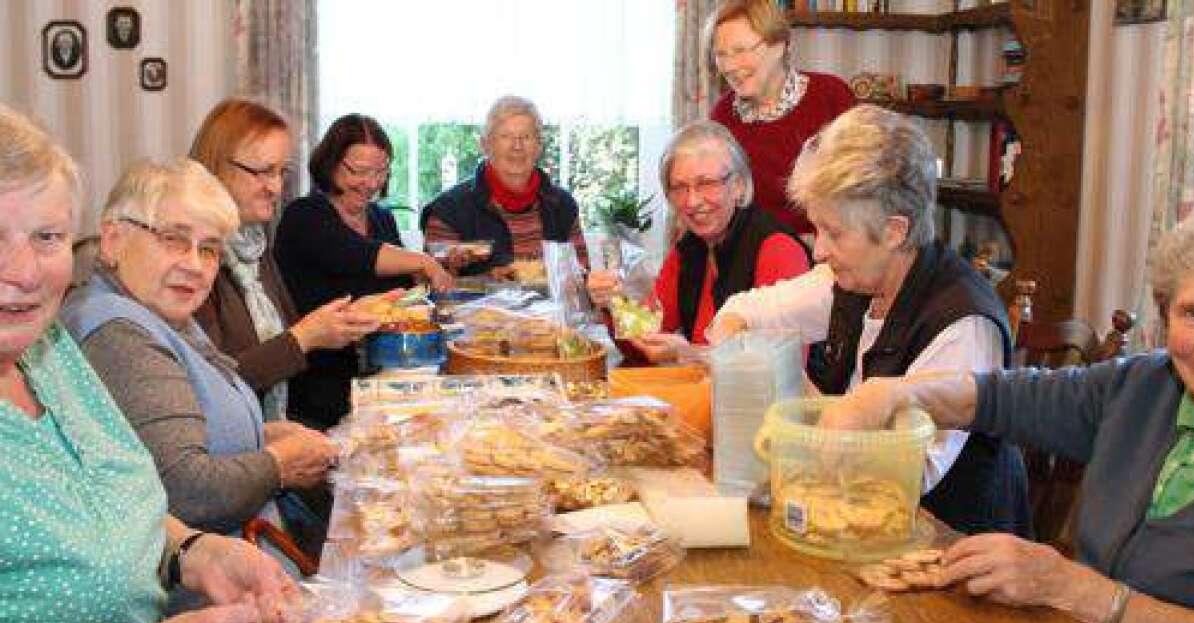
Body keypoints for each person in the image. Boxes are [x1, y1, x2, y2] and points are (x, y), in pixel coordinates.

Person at [818, 225, 1194, 623]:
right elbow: (998, 397)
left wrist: (1074, 589)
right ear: (1164, 317)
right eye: (1193, 313)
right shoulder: (1142, 387)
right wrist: (895, 395)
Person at [0, 103, 293, 623]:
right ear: (111, 240)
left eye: (48, 236)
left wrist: (193, 551)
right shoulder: (108, 329)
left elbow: (115, 505)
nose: (27, 271)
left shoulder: (49, 354)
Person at [709, 105, 1029, 536]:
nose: (818, 250)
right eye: (817, 229)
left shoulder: (962, 323)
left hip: (952, 553)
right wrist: (741, 350)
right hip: (858, 532)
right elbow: (739, 312)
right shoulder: (851, 277)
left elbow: (908, 480)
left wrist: (800, 393)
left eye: (834, 233)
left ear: (895, 231)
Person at [61, 158, 339, 553]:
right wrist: (279, 464)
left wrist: (262, 435)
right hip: (206, 590)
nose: (194, 265)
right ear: (112, 239)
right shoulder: (116, 332)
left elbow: (190, 432)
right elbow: (185, 491)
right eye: (174, 238)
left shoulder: (159, 309)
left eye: (209, 249)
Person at [190, 98, 386, 423]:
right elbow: (212, 386)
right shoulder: (194, 259)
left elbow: (291, 331)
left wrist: (350, 316)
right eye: (264, 172)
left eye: (282, 172)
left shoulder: (254, 245)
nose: (277, 187)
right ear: (217, 168)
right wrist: (307, 336)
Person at [275, 113, 452, 429]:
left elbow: (400, 289)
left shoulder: (382, 219)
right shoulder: (304, 215)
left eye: (380, 172)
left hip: (383, 379)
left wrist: (427, 274)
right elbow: (353, 254)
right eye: (358, 171)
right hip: (318, 388)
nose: (370, 183)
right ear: (330, 163)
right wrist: (423, 261)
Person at [586, 120, 810, 363]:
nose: (692, 201)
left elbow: (781, 366)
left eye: (706, 184)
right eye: (679, 187)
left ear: (739, 186)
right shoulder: (689, 248)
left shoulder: (778, 250)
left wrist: (692, 354)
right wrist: (613, 303)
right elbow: (648, 338)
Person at [705, 0, 856, 236]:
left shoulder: (831, 96)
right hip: (752, 256)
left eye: (741, 50)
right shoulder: (722, 115)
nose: (730, 66)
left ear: (779, 45)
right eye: (721, 55)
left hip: (825, 254)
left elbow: (861, 190)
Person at [420, 95, 588, 278]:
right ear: (485, 145)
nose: (517, 146)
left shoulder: (562, 205)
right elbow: (432, 286)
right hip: (475, 307)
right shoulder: (449, 209)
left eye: (526, 137)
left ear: (539, 147)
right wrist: (489, 279)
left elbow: (582, 277)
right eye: (505, 136)